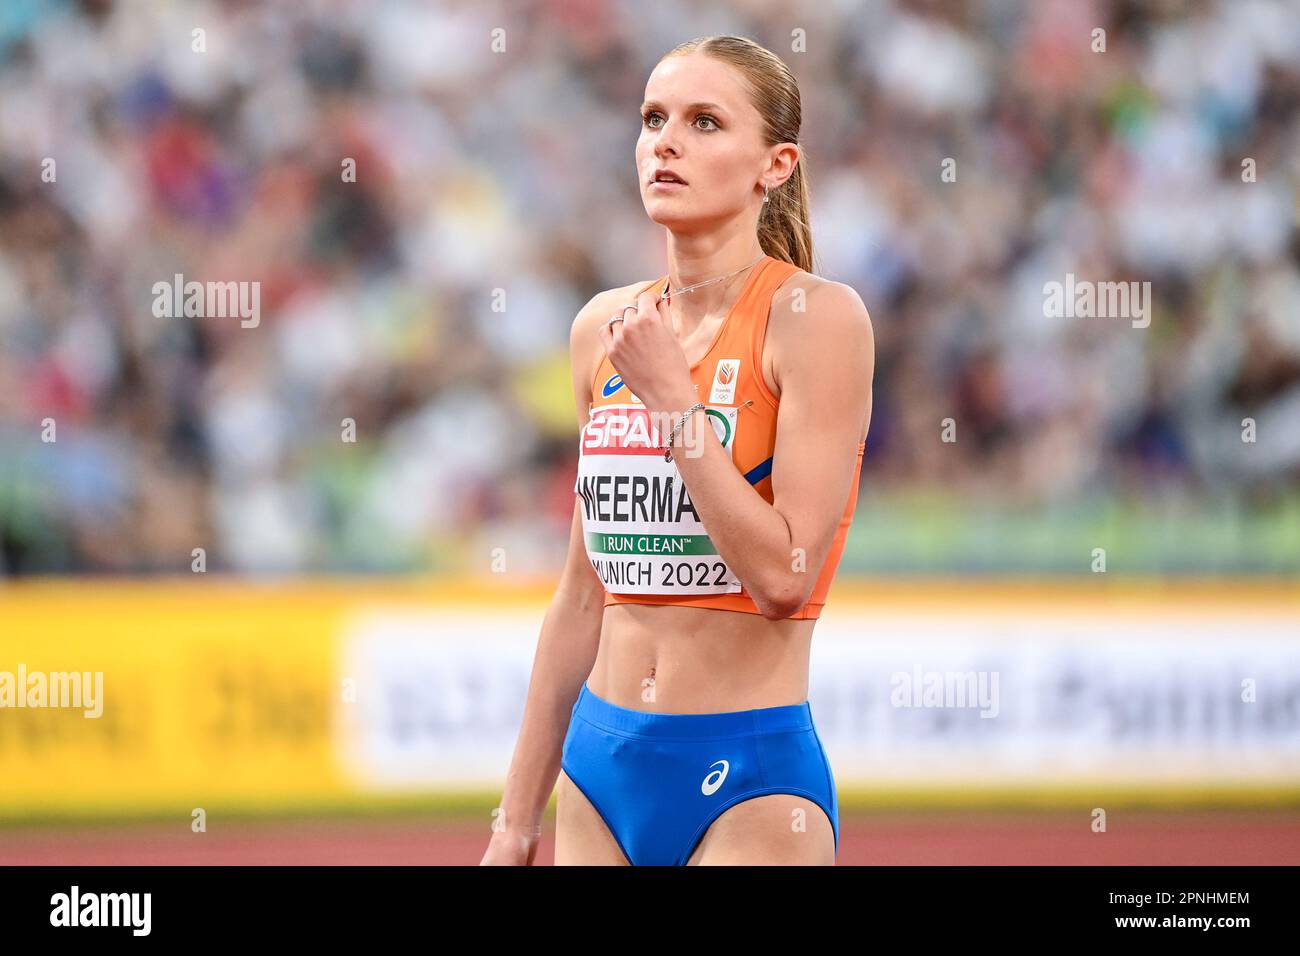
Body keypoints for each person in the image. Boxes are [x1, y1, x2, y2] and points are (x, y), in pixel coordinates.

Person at [482, 34, 873, 866]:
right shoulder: (603, 328)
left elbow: (782, 578)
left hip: (749, 781)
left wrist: (675, 403)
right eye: (654, 118)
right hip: (596, 772)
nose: (665, 141)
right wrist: (515, 824)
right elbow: (580, 600)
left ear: (776, 164)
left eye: (704, 122)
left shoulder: (816, 320)